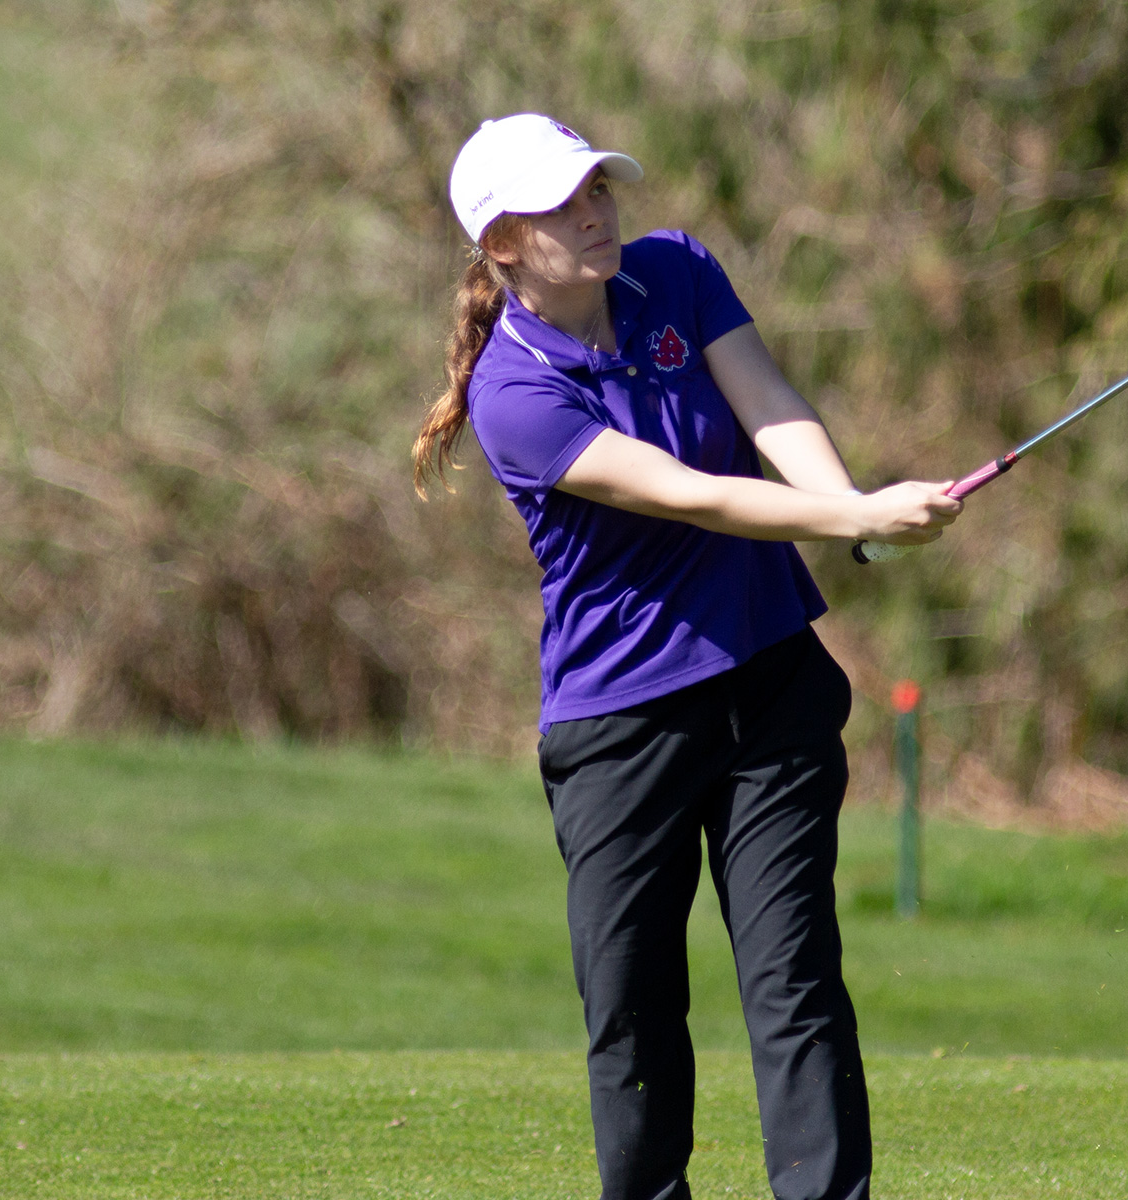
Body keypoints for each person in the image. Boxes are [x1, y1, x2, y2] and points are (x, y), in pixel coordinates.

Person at [412, 113, 962, 1200]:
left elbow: (768, 405)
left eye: (599, 188)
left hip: (769, 687)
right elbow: (694, 496)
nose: (597, 209)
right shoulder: (511, 395)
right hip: (622, 730)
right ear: (503, 243)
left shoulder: (676, 271)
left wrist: (848, 507)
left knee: (794, 976)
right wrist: (844, 513)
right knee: (634, 1010)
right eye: (564, 200)